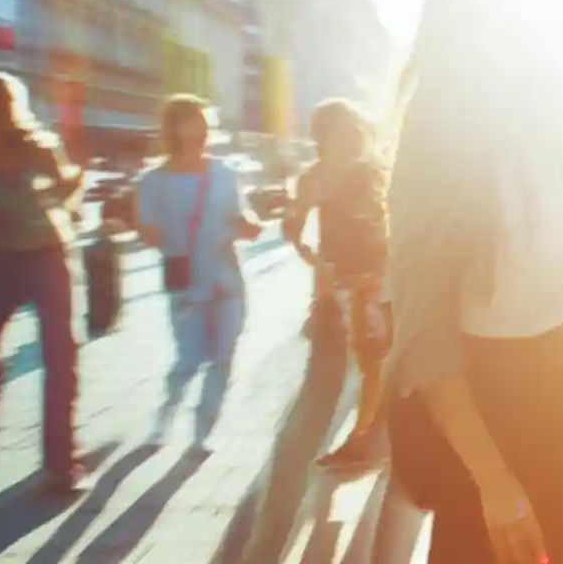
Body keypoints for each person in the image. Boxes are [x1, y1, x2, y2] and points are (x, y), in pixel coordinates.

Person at [383, 0, 563, 564]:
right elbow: (423, 332)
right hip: (482, 422)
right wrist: (495, 482)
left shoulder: (542, 124)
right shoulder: (436, 131)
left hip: (561, 394)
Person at [0, 70, 84, 492]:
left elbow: (68, 186)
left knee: (60, 356)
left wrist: (65, 194)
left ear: (13, 113)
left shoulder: (39, 148)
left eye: (1, 111)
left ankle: (60, 463)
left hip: (46, 254)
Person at [135, 95, 263, 453]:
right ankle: (164, 417)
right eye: (189, 122)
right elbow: (148, 231)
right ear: (172, 128)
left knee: (223, 357)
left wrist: (249, 225)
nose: (198, 131)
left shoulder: (225, 173)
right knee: (190, 359)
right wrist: (147, 232)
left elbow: (243, 218)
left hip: (227, 276)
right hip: (185, 281)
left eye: (202, 123)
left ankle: (202, 432)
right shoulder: (152, 181)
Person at [285, 98, 391, 470]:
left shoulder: (373, 172)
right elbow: (296, 232)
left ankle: (368, 440)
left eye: (354, 130)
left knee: (374, 361)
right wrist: (318, 267)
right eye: (341, 132)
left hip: (378, 281)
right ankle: (373, 436)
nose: (351, 138)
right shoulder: (313, 179)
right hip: (348, 284)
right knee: (371, 362)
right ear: (323, 137)